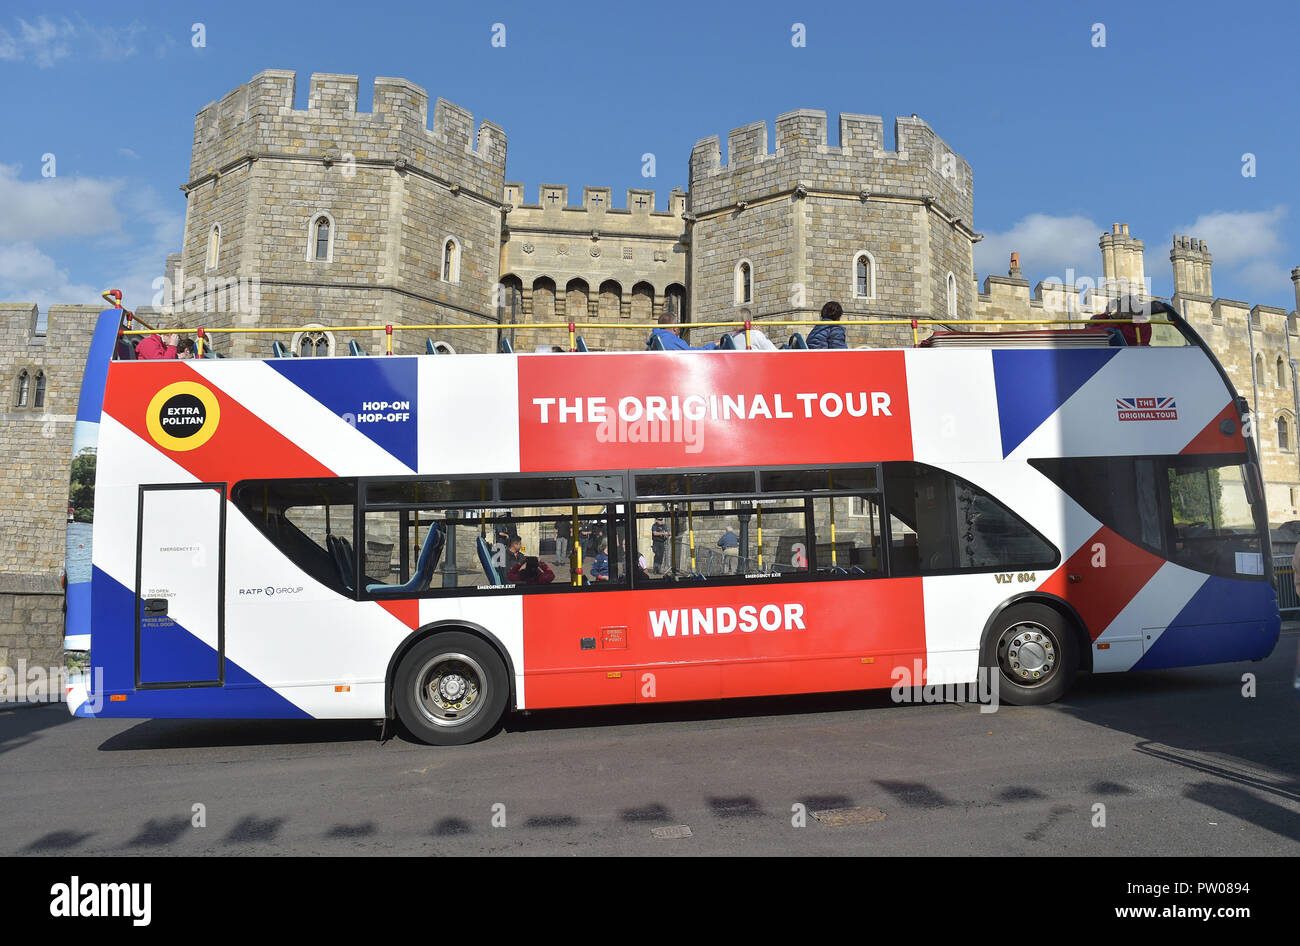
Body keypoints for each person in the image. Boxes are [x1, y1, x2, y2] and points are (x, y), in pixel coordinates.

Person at [647, 311, 716, 351]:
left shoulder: (655, 338)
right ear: (675, 328)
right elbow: (693, 353)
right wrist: (713, 345)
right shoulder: (671, 340)